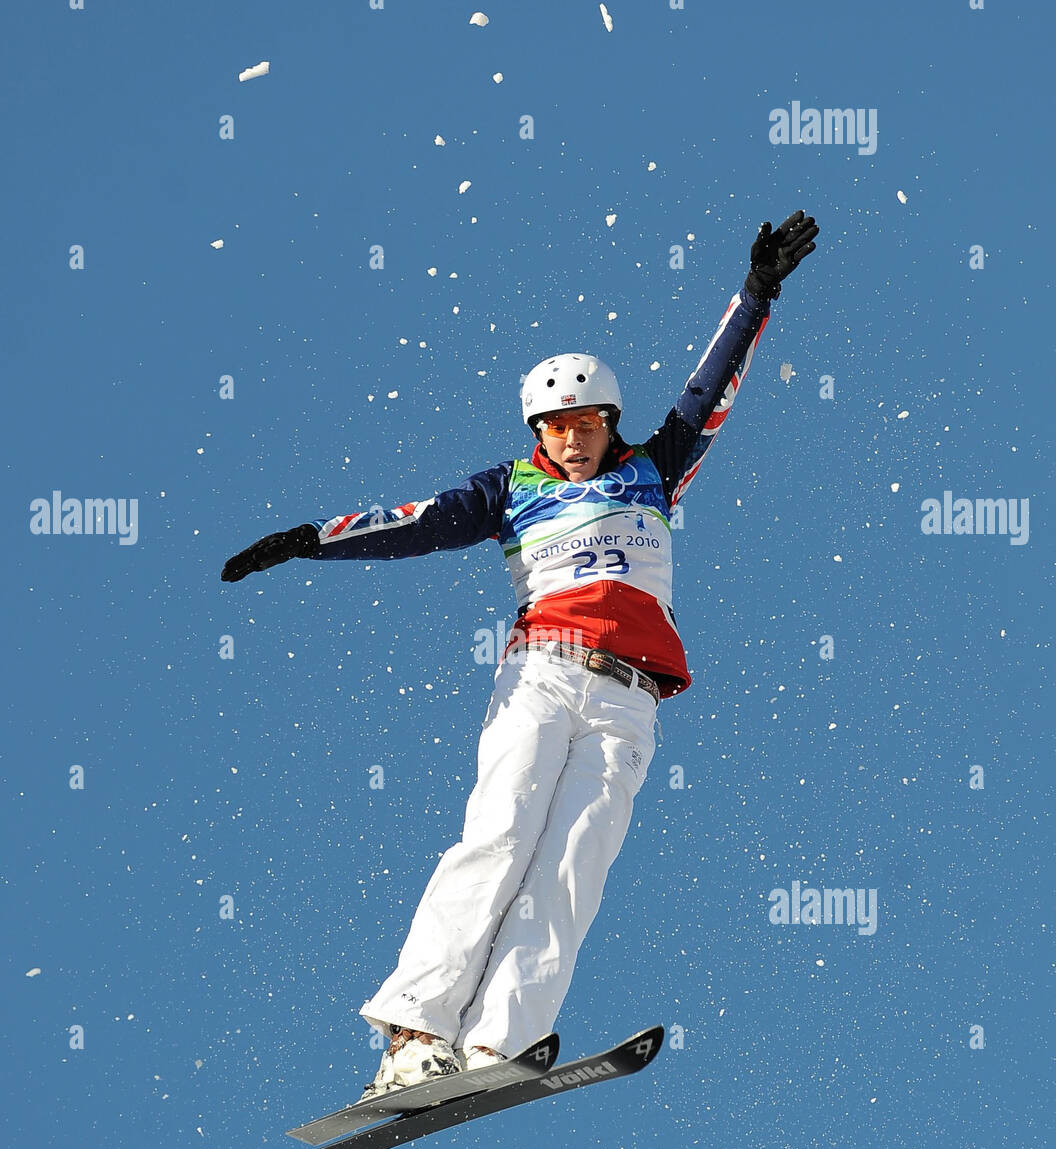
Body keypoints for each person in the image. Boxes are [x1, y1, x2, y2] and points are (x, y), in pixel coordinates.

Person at [222, 210, 819, 1098]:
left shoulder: (656, 469)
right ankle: (415, 1036)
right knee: (499, 838)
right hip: (543, 674)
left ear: (610, 423)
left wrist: (757, 293)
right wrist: (313, 538)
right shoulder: (510, 490)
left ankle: (503, 1039)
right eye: (554, 426)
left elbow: (711, 387)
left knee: (574, 867)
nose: (570, 440)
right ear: (535, 432)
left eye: (585, 424)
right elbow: (415, 524)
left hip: (632, 699)